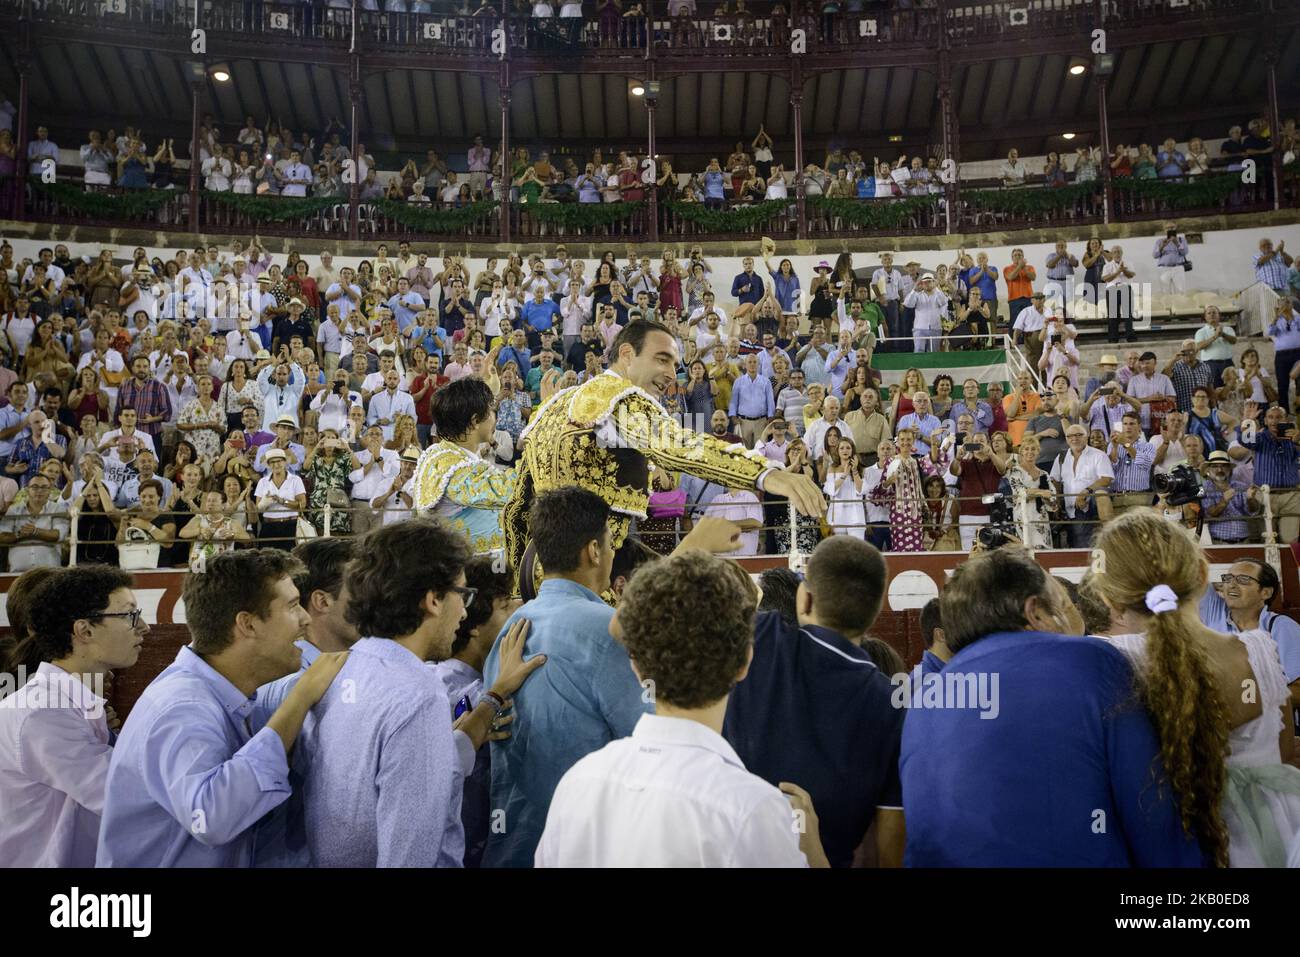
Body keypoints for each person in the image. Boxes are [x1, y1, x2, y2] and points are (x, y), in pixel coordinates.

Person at [900, 546, 1207, 867]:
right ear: (1035, 614)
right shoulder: (1093, 661)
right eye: (1063, 604)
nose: (1074, 616)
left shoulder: (923, 700)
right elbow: (1151, 811)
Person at [537, 552, 826, 868]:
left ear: (635, 666)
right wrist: (813, 852)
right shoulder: (754, 811)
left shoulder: (577, 784)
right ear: (744, 661)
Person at [292, 518, 544, 867]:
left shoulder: (346, 667)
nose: (464, 611)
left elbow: (411, 776)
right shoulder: (418, 696)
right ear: (433, 600)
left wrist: (491, 700)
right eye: (463, 594)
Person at [501, 320, 824, 587]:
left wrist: (520, 586)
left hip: (547, 575)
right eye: (662, 359)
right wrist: (767, 473)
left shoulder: (556, 405)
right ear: (626, 354)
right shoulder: (620, 397)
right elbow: (678, 445)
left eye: (675, 363)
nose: (672, 373)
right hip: (592, 577)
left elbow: (516, 509)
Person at [96, 550, 348, 867]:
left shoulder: (215, 695)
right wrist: (298, 701)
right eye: (292, 606)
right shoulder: (183, 707)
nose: (305, 618)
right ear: (248, 624)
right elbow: (212, 817)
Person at [1096, 513, 1300, 867]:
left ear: (1109, 598)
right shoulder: (1259, 650)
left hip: (1170, 841)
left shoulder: (1111, 659)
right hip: (1274, 837)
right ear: (1203, 577)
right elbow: (1283, 755)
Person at [724, 536, 904, 868]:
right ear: (875, 611)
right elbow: (890, 848)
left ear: (804, 599)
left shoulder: (758, 635)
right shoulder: (894, 706)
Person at [0, 566, 144, 867]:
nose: (144, 626)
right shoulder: (45, 714)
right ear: (84, 631)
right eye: (130, 615)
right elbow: (125, 800)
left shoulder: (66, 703)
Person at [414, 377, 518, 555]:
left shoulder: (442, 453)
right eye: (492, 412)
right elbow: (514, 489)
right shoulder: (455, 468)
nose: (495, 418)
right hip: (474, 572)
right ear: (475, 421)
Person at [1199, 558, 1300, 708]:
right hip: (1222, 721)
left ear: (1265, 592)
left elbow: (1298, 691)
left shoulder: (1282, 627)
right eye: (1228, 578)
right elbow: (1185, 567)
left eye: (1243, 580)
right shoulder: (1215, 611)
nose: (1232, 585)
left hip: (1271, 724)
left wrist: (1252, 705)